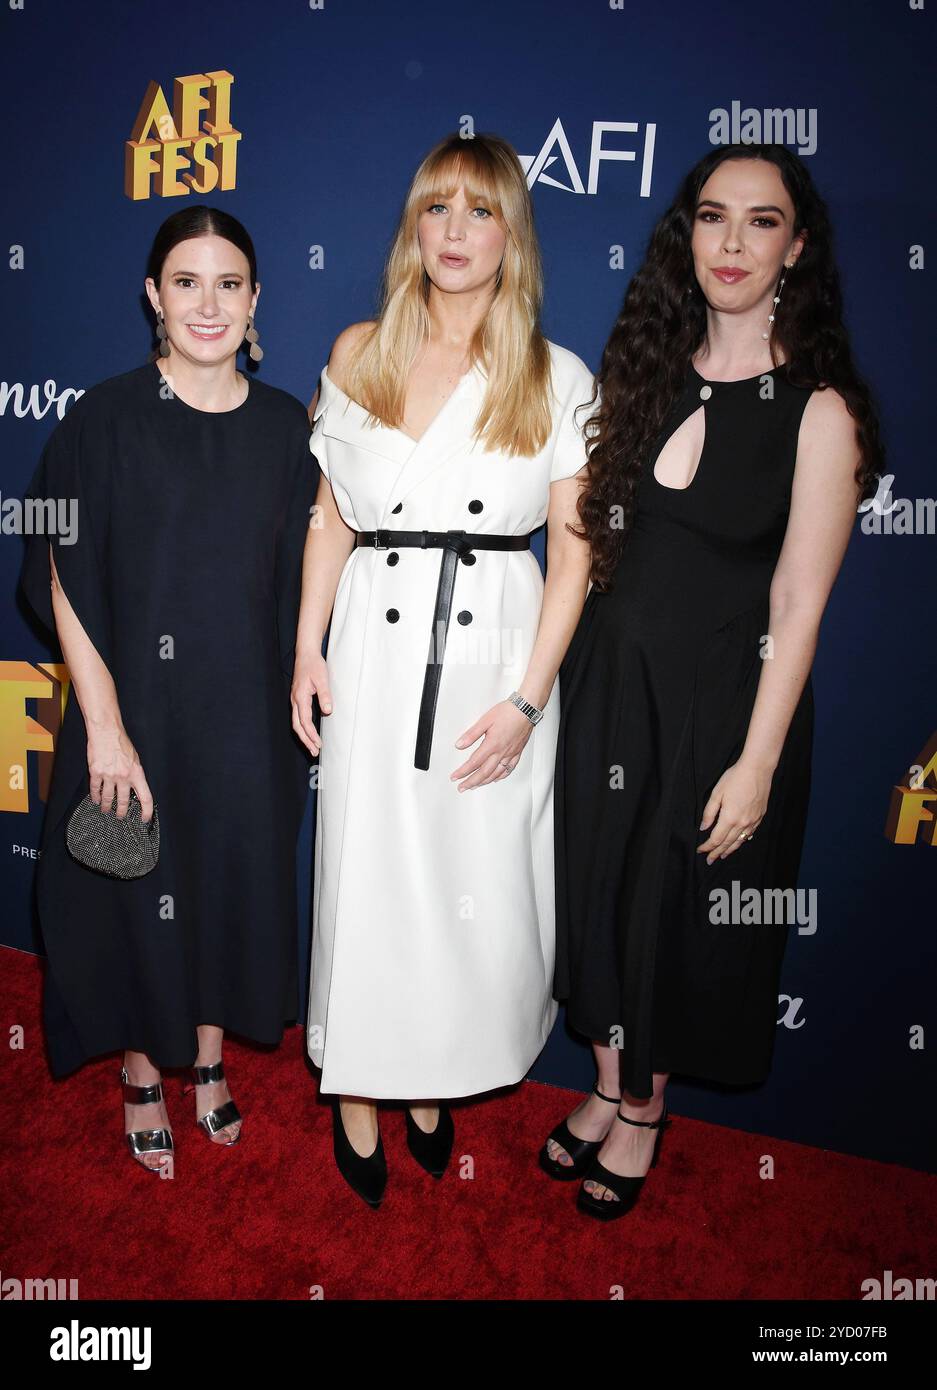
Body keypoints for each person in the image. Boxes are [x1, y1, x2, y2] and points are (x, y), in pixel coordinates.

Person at [542, 144, 882, 1220]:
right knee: (598, 900)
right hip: (610, 692)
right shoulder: (640, 368)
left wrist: (759, 763)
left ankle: (645, 1109)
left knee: (670, 917)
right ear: (683, 237)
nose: (731, 243)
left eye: (760, 222)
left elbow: (797, 606)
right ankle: (605, 1086)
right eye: (712, 217)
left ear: (797, 246)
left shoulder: (819, 410)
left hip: (720, 710)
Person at [291, 132, 596, 1207]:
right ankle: (361, 1088)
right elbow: (330, 517)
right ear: (411, 228)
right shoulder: (358, 348)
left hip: (491, 652)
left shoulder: (554, 375)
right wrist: (305, 648)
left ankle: (435, 1074)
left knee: (471, 881)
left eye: (479, 212)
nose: (455, 233)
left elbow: (575, 550)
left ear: (511, 232)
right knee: (367, 872)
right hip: (374, 639)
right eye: (436, 210)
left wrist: (529, 695)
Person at [18, 206, 315, 1173]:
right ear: (153, 295)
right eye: (185, 282)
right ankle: (144, 1072)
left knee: (227, 886)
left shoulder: (285, 429)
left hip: (244, 719)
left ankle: (209, 1062)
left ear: (256, 298)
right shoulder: (100, 418)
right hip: (134, 709)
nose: (208, 303)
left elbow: (310, 571)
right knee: (140, 889)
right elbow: (61, 569)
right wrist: (103, 727)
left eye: (229, 283)